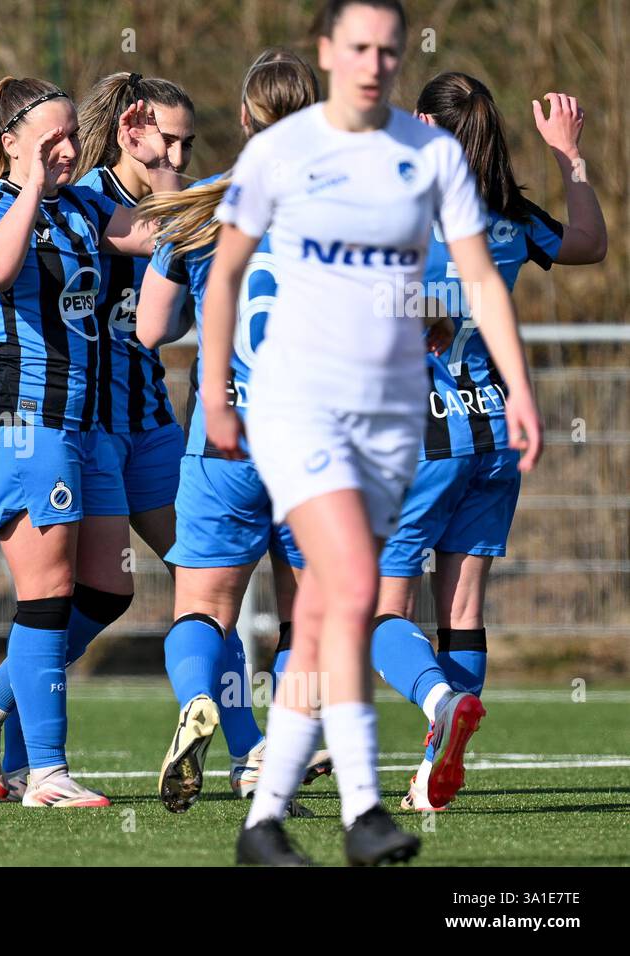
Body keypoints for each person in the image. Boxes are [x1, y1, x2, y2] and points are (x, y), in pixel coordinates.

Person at [202, 0, 541, 865]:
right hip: (298, 405)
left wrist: (521, 390)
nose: (375, 63)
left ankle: (263, 822)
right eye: (358, 47)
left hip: (392, 415)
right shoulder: (282, 151)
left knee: (320, 612)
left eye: (390, 49)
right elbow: (227, 270)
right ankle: (362, 813)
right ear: (328, 51)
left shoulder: (428, 154)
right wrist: (213, 390)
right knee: (353, 586)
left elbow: (474, 281)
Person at [364, 76, 606, 811]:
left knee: (379, 612)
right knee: (462, 605)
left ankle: (440, 704)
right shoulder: (507, 216)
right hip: (498, 434)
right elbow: (590, 245)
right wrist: (571, 160)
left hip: (421, 442)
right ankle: (436, 774)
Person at [0, 76, 179, 808]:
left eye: (75, 136)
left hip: (88, 427)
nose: (68, 151)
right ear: (11, 145)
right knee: (45, 594)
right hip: (19, 423)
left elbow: (162, 230)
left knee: (108, 589)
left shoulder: (86, 205)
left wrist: (165, 161)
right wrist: (30, 187)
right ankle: (44, 772)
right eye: (50, 141)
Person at [135, 49, 331, 813]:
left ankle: (198, 703)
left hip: (224, 437)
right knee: (304, 617)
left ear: (245, 119)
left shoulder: (208, 202)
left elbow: (151, 327)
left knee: (203, 610)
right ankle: (269, 763)